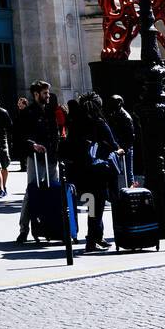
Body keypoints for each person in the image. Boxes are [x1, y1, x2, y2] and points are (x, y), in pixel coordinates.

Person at [63, 92, 124, 252]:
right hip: (96, 171)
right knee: (97, 206)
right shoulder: (98, 122)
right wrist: (119, 151)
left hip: (79, 172)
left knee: (91, 205)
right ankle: (92, 240)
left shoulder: (76, 122)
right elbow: (113, 144)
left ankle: (94, 238)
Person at [16, 80, 60, 244]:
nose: (48, 96)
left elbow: (55, 132)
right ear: (36, 94)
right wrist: (33, 145)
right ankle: (24, 229)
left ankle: (52, 226)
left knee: (53, 190)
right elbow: (21, 136)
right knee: (31, 191)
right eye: (45, 93)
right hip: (36, 158)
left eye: (48, 92)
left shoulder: (50, 110)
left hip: (51, 157)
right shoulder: (28, 113)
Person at [105, 95, 135, 188]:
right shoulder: (114, 114)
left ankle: (131, 190)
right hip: (117, 146)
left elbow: (130, 136)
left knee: (128, 173)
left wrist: (125, 148)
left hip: (125, 147)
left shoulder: (126, 117)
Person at [13, 97, 33, 172]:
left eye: (20, 103)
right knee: (21, 151)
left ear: (24, 104)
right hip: (20, 135)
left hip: (25, 135)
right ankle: (23, 166)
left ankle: (25, 166)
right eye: (18, 103)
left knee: (24, 151)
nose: (18, 105)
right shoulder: (20, 111)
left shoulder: (27, 112)